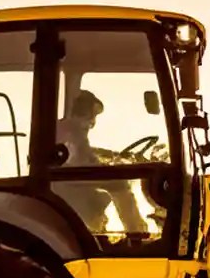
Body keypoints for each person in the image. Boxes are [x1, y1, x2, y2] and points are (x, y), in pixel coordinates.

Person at [53, 91, 148, 234]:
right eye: (93, 115)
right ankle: (137, 232)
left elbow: (84, 153)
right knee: (119, 183)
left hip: (67, 178)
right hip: (67, 179)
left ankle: (98, 227)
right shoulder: (73, 131)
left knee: (108, 184)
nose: (93, 121)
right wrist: (109, 167)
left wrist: (111, 156)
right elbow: (81, 160)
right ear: (85, 112)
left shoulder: (66, 128)